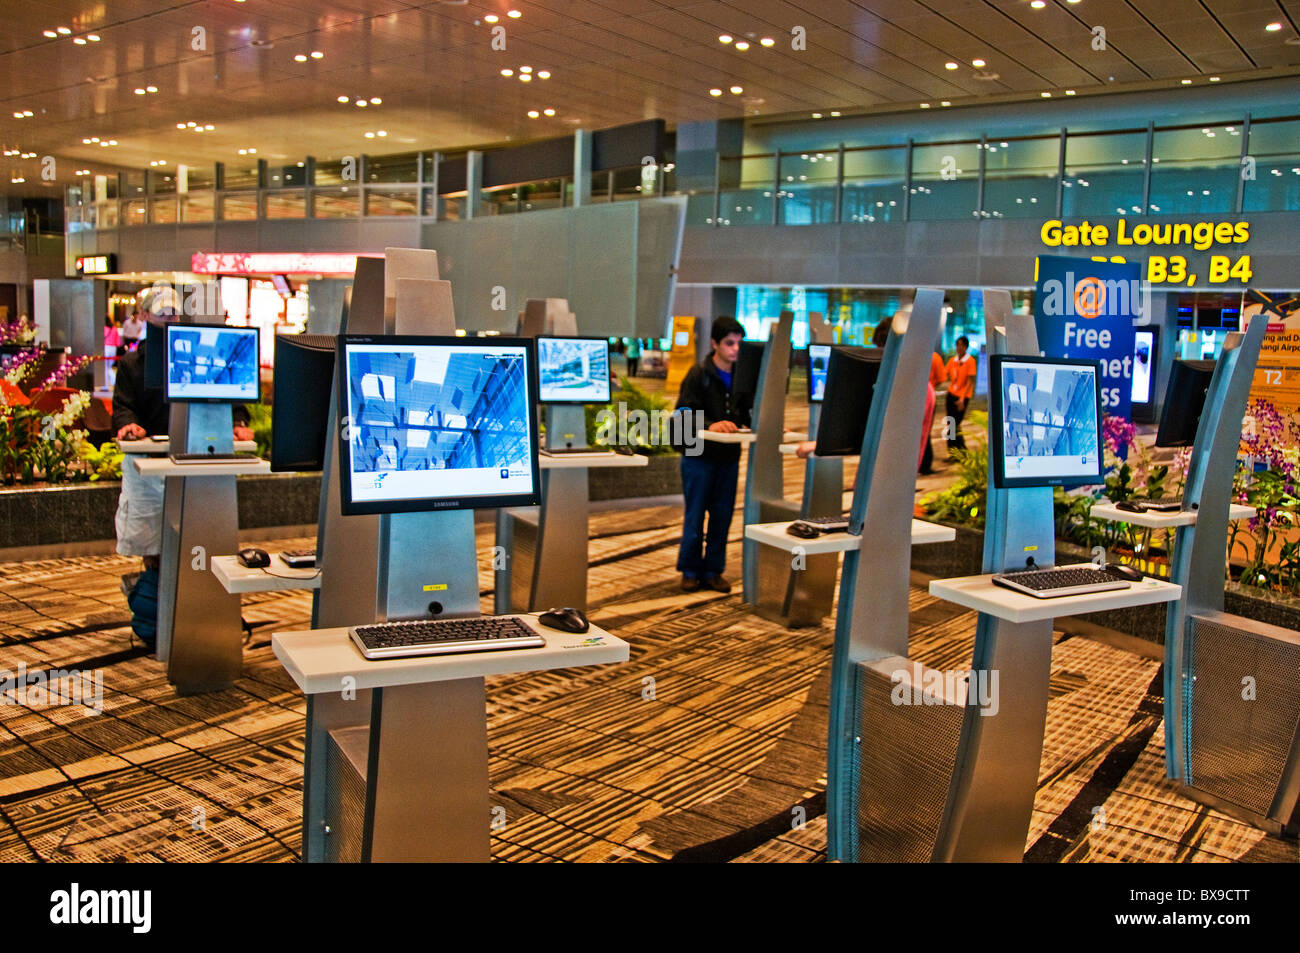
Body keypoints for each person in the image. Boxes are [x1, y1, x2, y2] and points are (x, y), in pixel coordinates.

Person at [112, 337, 253, 651]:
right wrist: (130, 426)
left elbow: (232, 403)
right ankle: (157, 607)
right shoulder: (134, 364)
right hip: (151, 463)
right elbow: (124, 410)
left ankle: (198, 617)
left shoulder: (209, 357)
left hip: (202, 458)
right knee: (157, 546)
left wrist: (237, 422)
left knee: (205, 540)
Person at [673, 316, 749, 593]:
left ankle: (714, 570)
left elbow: (746, 412)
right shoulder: (699, 374)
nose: (735, 349)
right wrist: (709, 425)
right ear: (715, 343)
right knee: (695, 516)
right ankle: (690, 570)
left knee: (722, 515)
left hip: (728, 457)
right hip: (698, 456)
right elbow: (683, 413)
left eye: (739, 343)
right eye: (730, 343)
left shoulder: (743, 376)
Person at [945, 335, 977, 453]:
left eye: (962, 345)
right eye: (957, 344)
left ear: (966, 347)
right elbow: (945, 373)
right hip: (951, 394)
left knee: (955, 424)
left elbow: (970, 381)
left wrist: (962, 399)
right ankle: (955, 452)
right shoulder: (953, 360)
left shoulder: (970, 361)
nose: (959, 347)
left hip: (962, 397)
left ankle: (960, 451)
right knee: (950, 424)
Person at [920, 348, 946, 474]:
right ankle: (923, 464)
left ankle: (924, 464)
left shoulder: (933, 357)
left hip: (924, 396)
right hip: (927, 394)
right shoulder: (934, 356)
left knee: (923, 432)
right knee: (924, 432)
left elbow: (941, 378)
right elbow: (941, 378)